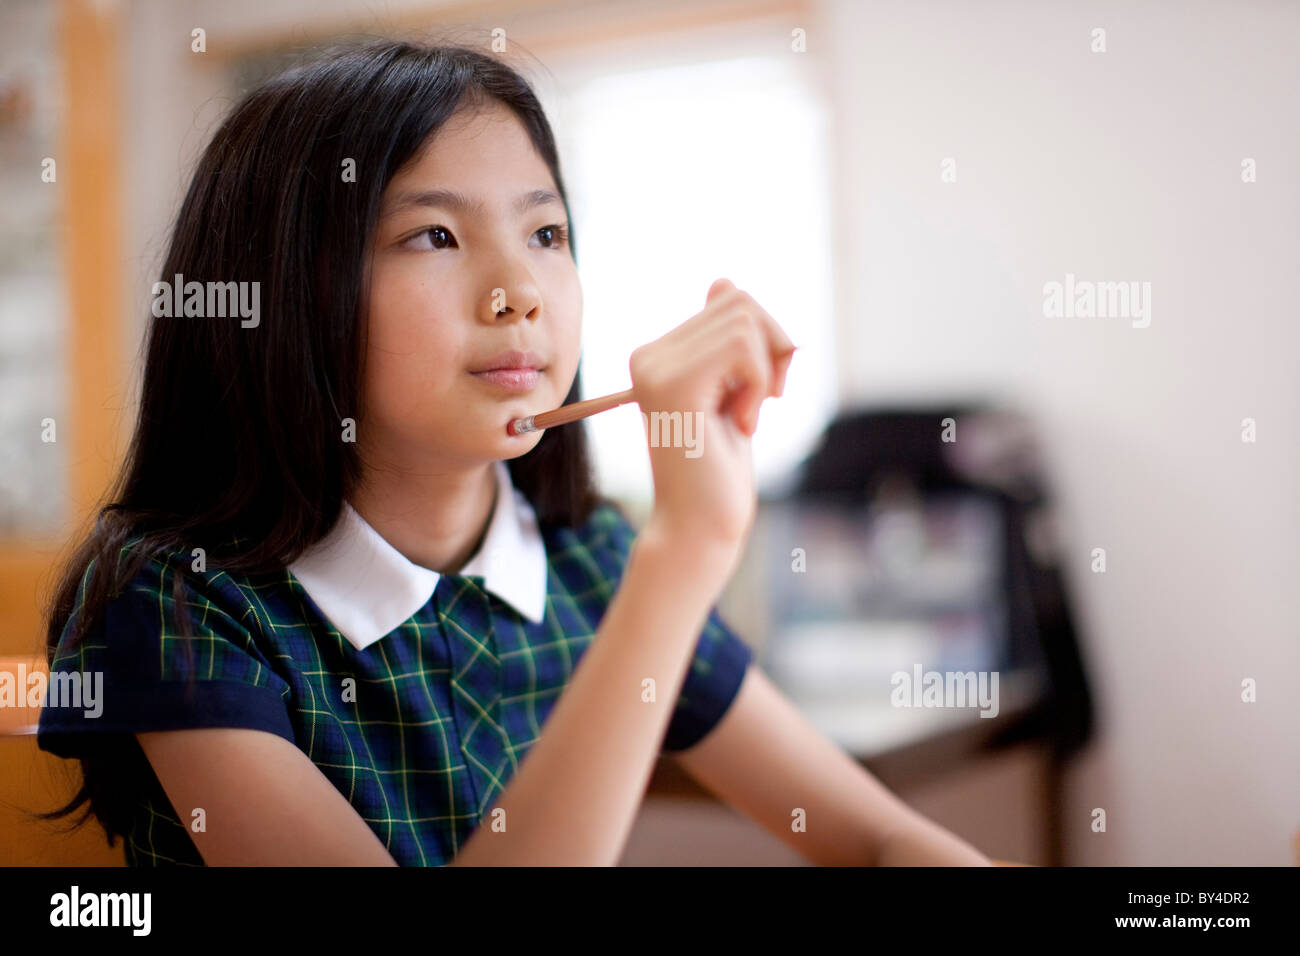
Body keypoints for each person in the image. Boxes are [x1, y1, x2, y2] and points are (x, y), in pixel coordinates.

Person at [35, 38, 990, 866]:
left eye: (546, 232)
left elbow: (879, 841)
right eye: (436, 234)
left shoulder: (588, 566)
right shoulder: (181, 602)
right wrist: (688, 549)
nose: (519, 290)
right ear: (285, 291)